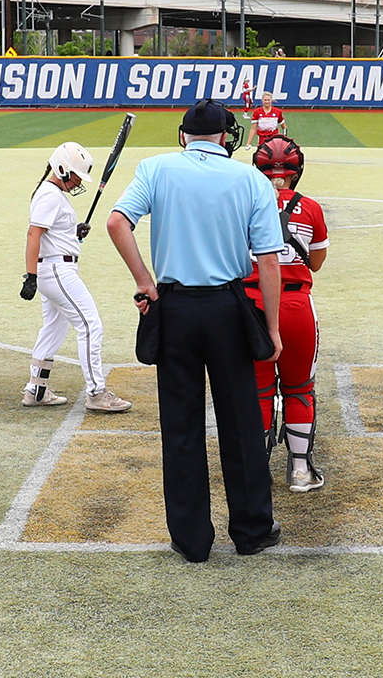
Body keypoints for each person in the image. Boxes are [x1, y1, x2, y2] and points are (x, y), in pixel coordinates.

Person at [108, 100, 287, 562]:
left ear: (184, 134)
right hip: (228, 309)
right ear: (228, 137)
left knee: (181, 427)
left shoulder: (156, 168)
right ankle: (251, 531)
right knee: (241, 424)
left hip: (176, 309)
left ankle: (191, 541)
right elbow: (268, 259)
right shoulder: (250, 178)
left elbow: (116, 223)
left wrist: (145, 283)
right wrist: (271, 329)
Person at [19, 142, 132, 413]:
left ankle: (36, 389)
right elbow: (34, 234)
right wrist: (30, 276)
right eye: (77, 175)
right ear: (62, 169)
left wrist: (73, 234)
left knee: (54, 329)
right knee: (91, 325)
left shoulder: (53, 194)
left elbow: (50, 233)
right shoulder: (50, 194)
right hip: (57, 271)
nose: (80, 181)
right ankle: (96, 392)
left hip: (56, 268)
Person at [245, 137, 328, 493]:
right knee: (299, 389)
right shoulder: (310, 207)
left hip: (251, 306)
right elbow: (317, 262)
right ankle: (299, 471)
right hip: (296, 306)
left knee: (259, 392)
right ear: (298, 169)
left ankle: (254, 471)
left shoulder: (242, 205)